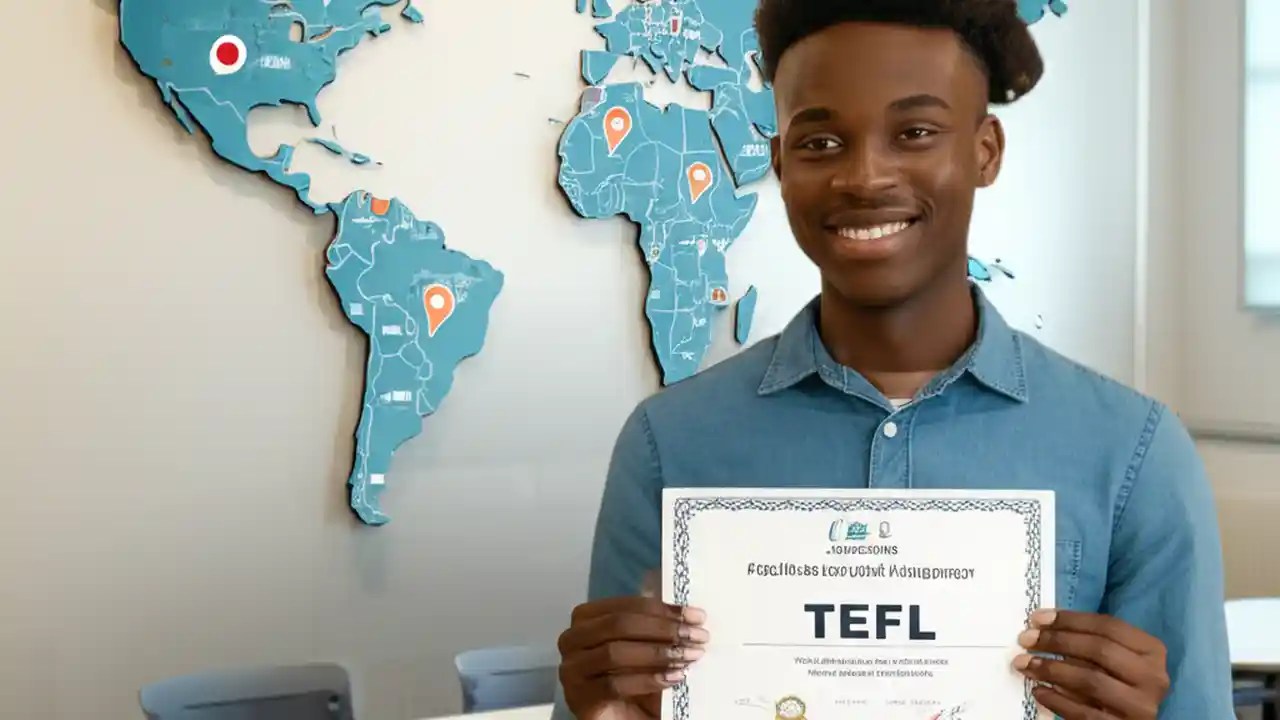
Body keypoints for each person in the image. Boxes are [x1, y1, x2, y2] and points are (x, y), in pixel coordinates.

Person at [552, 1, 1234, 718]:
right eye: (820, 143)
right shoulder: (670, 444)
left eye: (915, 132)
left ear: (985, 151)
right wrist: (606, 709)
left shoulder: (1132, 453)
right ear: (780, 164)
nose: (866, 176)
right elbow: (613, 708)